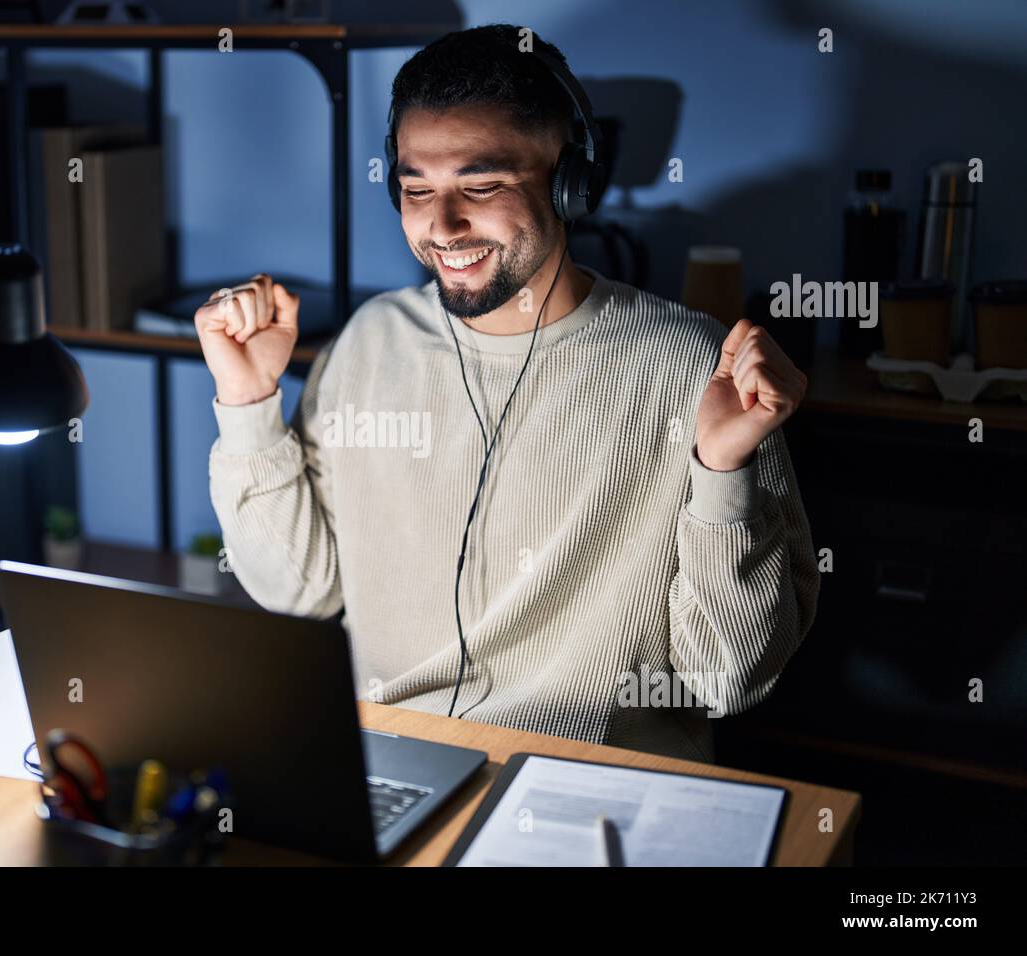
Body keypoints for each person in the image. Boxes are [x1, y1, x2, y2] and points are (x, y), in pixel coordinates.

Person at [194, 24, 817, 762]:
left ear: (569, 183)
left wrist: (723, 476)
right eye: (414, 188)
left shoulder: (693, 369)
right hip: (389, 765)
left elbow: (725, 680)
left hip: (591, 781)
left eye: (481, 186)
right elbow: (300, 592)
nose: (441, 226)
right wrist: (247, 405)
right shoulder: (369, 341)